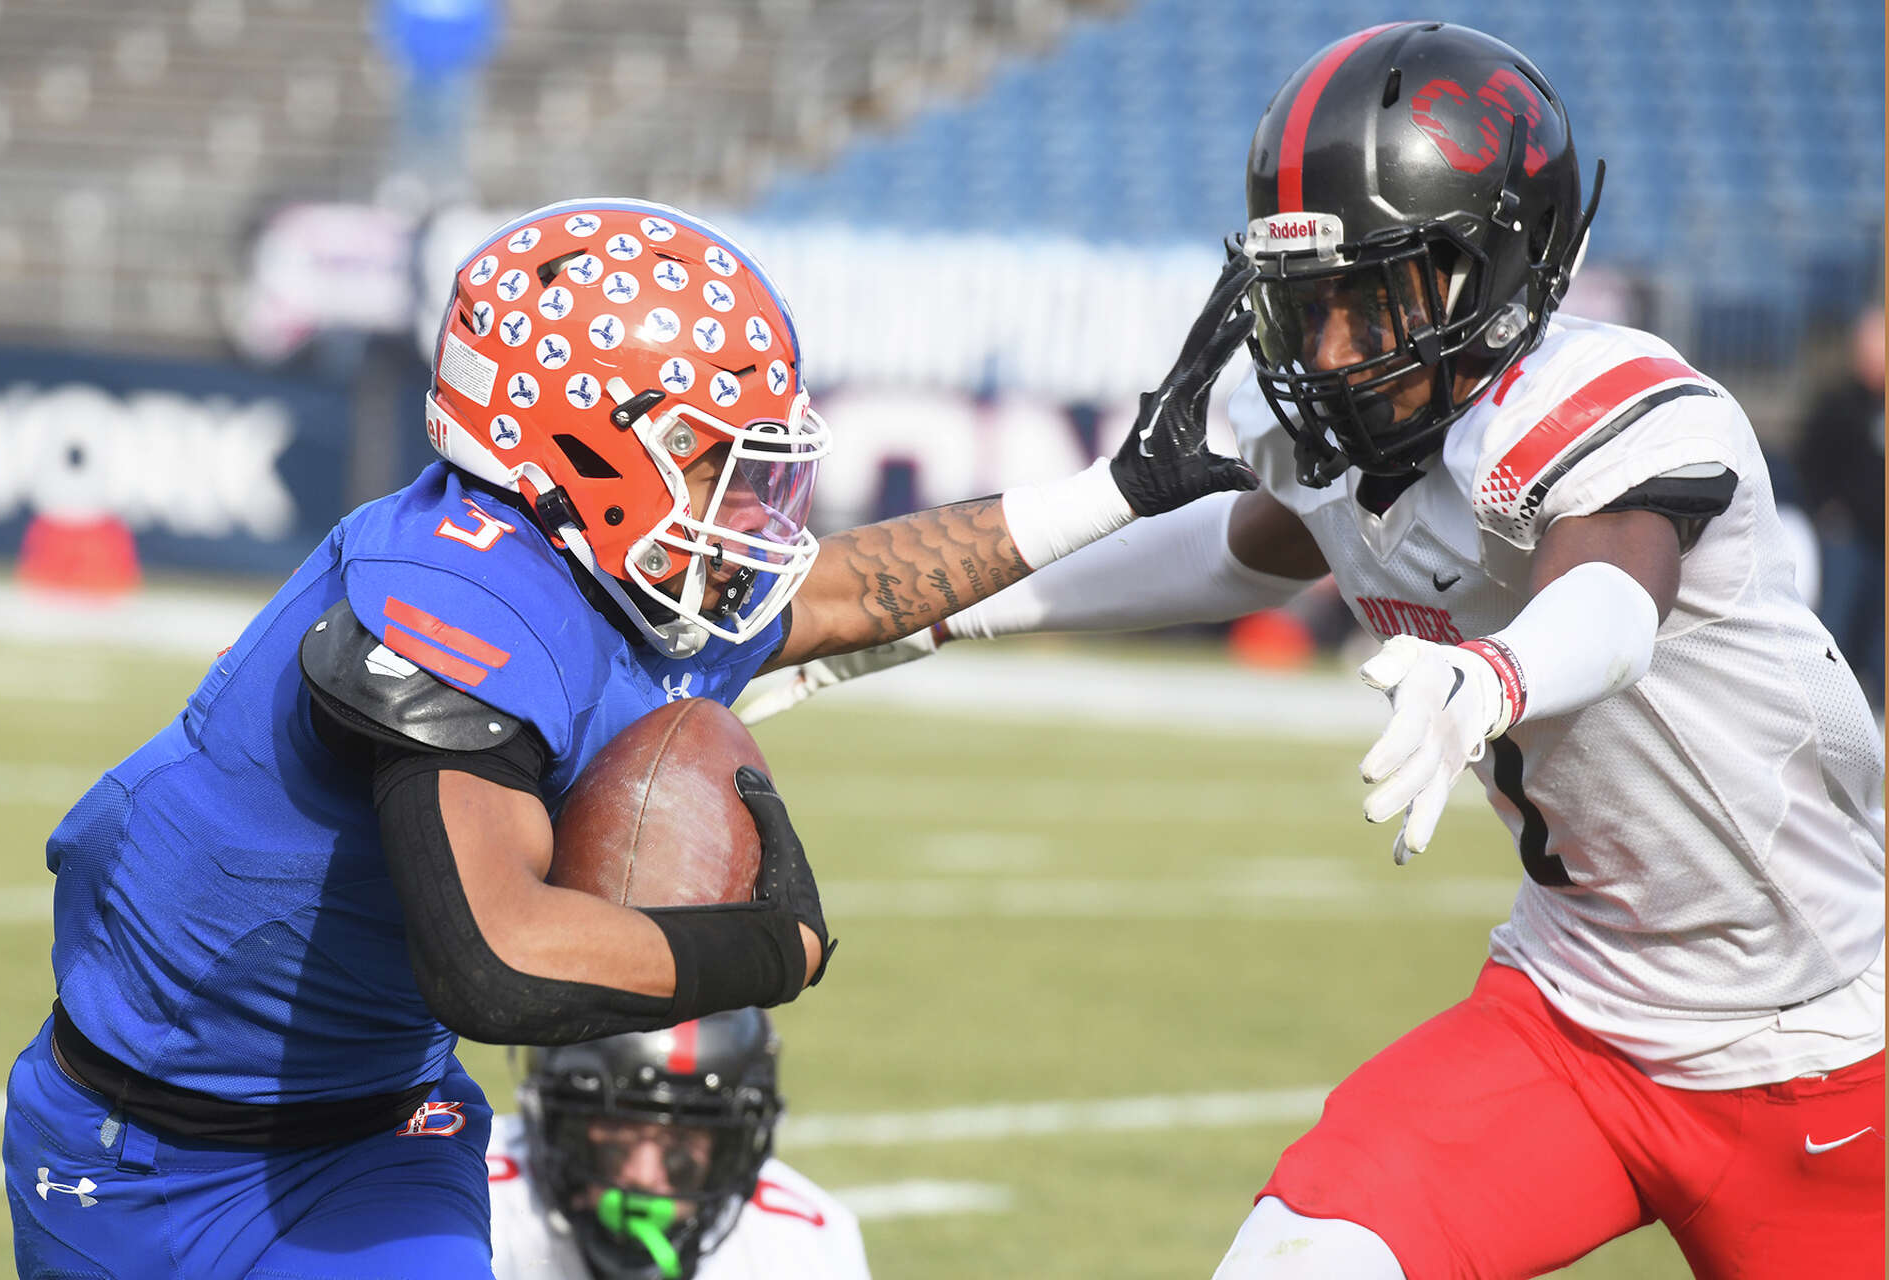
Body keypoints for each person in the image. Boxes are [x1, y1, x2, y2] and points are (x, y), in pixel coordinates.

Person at [741, 25, 1887, 1280]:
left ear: (1496, 267)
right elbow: (1241, 548)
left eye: (1374, 292)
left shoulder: (1602, 399)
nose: (1331, 347)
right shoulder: (1345, 435)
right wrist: (941, 618)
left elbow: (1613, 595)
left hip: (1821, 1044)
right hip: (1574, 1015)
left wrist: (1496, 673)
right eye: (1309, 299)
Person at [2, 197, 1254, 1277]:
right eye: (712, 461)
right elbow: (496, 958)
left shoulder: (617, 567)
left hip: (379, 1136)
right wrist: (773, 949)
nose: (746, 503)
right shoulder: (456, 592)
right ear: (581, 445)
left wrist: (1124, 484)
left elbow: (851, 587)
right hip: (127, 1143)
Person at [488, 1008, 868, 1280]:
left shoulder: (802, 1244)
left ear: (729, 1151)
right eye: (616, 1134)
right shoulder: (474, 1207)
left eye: (681, 1145)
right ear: (557, 1123)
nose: (642, 1175)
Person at [1794, 304, 1884, 705]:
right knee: (1837, 628)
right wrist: (1828, 510)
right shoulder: (1839, 404)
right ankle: (1828, 707)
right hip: (1849, 541)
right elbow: (1810, 463)